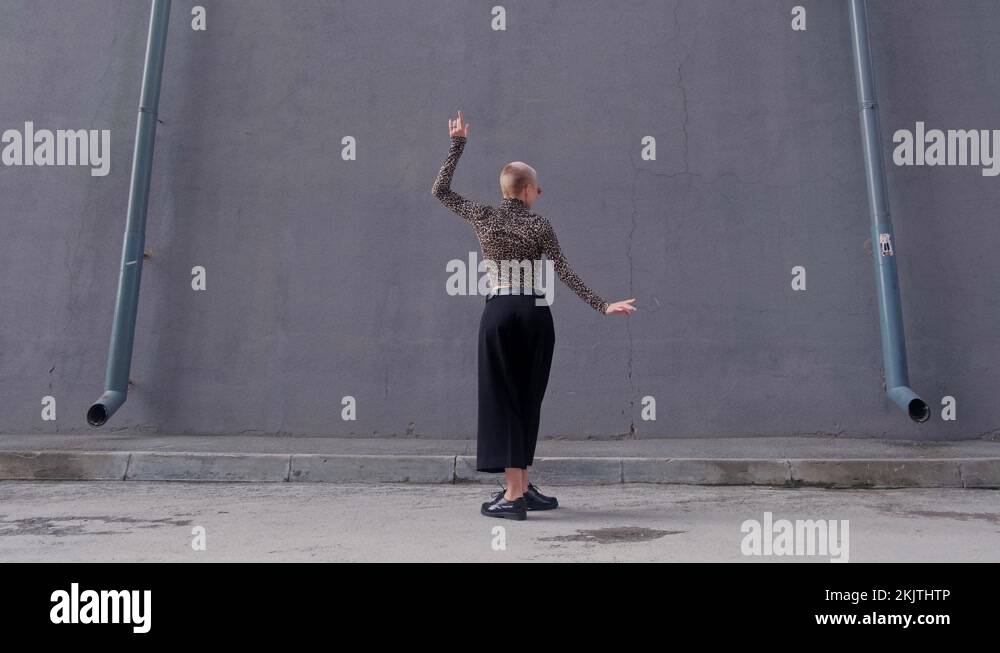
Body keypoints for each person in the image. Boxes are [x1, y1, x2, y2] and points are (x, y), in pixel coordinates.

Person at [431, 110, 637, 520]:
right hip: (536, 312)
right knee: (528, 400)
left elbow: (440, 190)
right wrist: (602, 304)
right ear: (525, 192)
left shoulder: (483, 215)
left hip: (502, 309)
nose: (540, 194)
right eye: (537, 189)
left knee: (502, 400)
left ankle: (516, 493)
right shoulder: (541, 225)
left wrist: (457, 145)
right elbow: (564, 270)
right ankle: (519, 486)